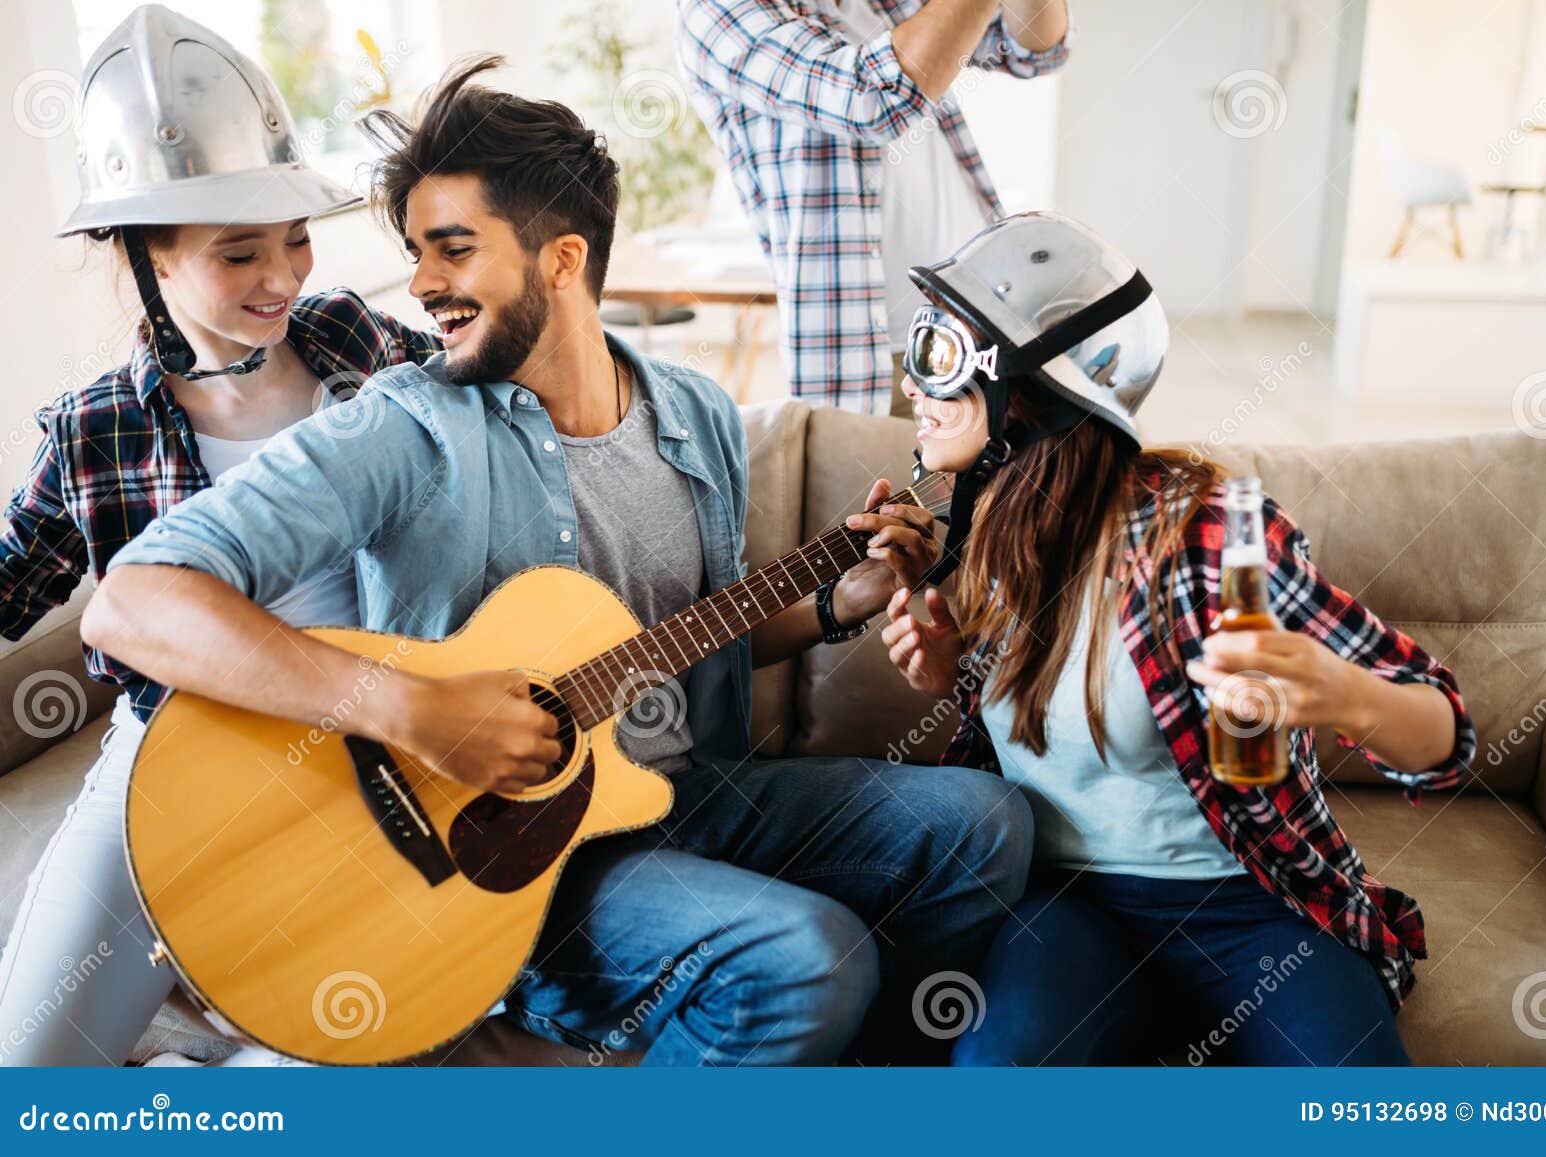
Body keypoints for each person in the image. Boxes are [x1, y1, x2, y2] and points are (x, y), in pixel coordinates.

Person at [81, 56, 1033, 1066]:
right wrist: (411, 710)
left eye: (451, 250)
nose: (421, 286)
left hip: (679, 789)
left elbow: (689, 636)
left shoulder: (696, 411)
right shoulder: (403, 427)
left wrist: (836, 602)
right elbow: (132, 604)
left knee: (984, 820)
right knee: (805, 954)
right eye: (416, 253)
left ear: (563, 259)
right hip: (494, 862)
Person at [877, 211, 1477, 1065]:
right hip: (1066, 904)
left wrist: (1344, 694)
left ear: (1031, 390)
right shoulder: (984, 532)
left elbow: (1447, 734)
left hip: (1246, 903)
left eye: (937, 354)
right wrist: (949, 674)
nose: (912, 386)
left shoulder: (1208, 538)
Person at [0, 5, 446, 1067]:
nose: (283, 278)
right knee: (31, 1077)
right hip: (168, 760)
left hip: (362, 755)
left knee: (342, 1057)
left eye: (295, 240)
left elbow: (507, 394)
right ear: (145, 256)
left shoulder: (362, 343)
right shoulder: (95, 429)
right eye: (239, 252)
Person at [678, 0, 1071, 416]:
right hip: (883, 367)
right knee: (891, 482)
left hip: (989, 329)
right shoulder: (716, 9)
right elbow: (875, 98)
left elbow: (1035, 49)